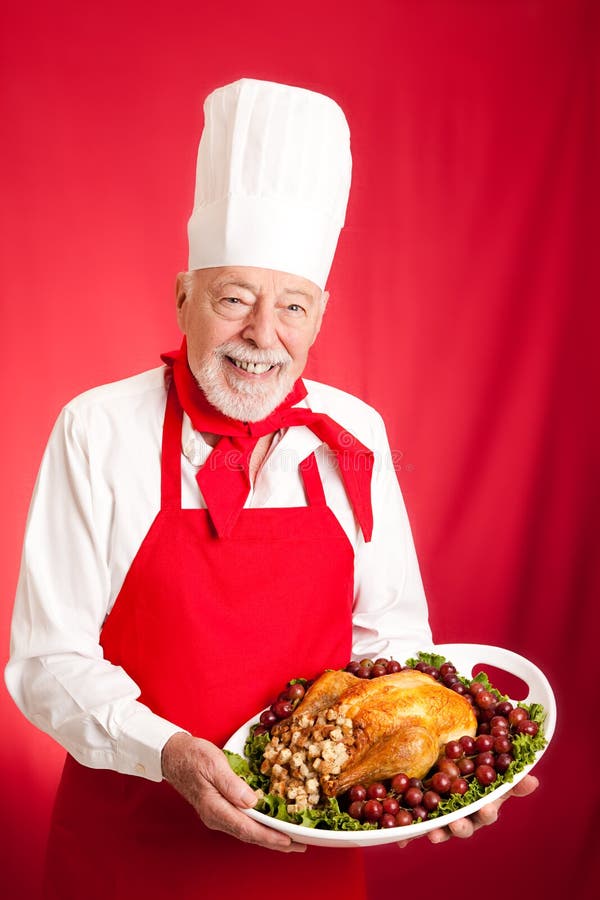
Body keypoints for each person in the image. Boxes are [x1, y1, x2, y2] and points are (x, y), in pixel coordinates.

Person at [5, 78, 537, 900]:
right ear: (183, 297)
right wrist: (171, 754)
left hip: (308, 864)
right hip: (128, 852)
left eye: (292, 305)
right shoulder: (96, 429)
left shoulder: (355, 432)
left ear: (321, 315)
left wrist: (444, 759)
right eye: (234, 298)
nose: (263, 335)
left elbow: (386, 648)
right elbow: (48, 662)